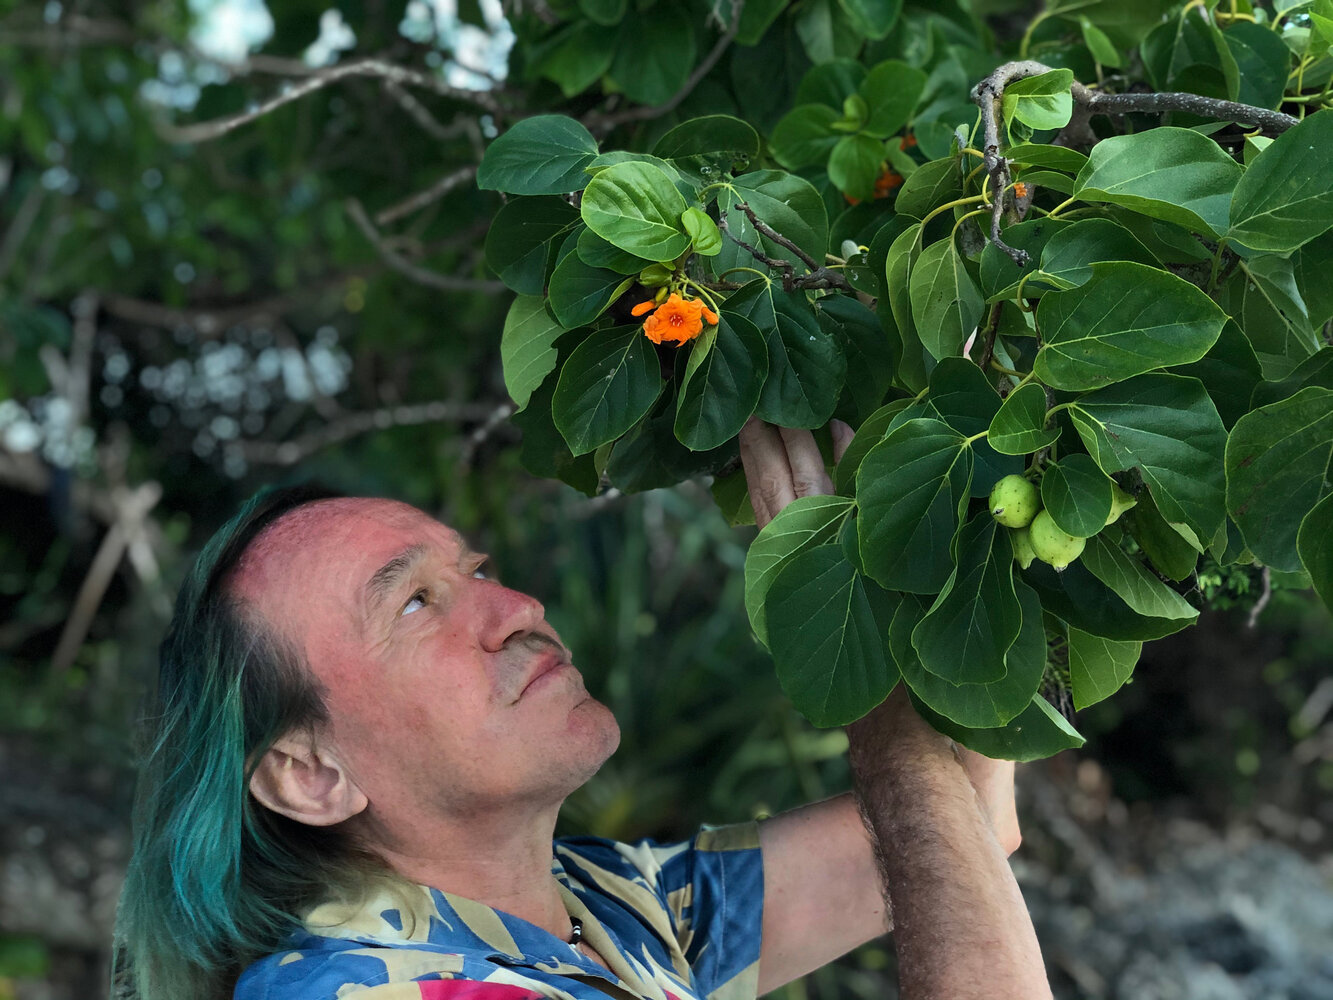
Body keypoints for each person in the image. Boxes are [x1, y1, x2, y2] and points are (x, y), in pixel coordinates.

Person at [112, 420, 1052, 1000]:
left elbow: (965, 829)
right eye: (413, 604)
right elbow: (931, 809)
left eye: (473, 570)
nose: (516, 608)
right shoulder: (373, 993)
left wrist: (907, 553)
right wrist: (875, 710)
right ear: (311, 775)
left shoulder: (605, 908)